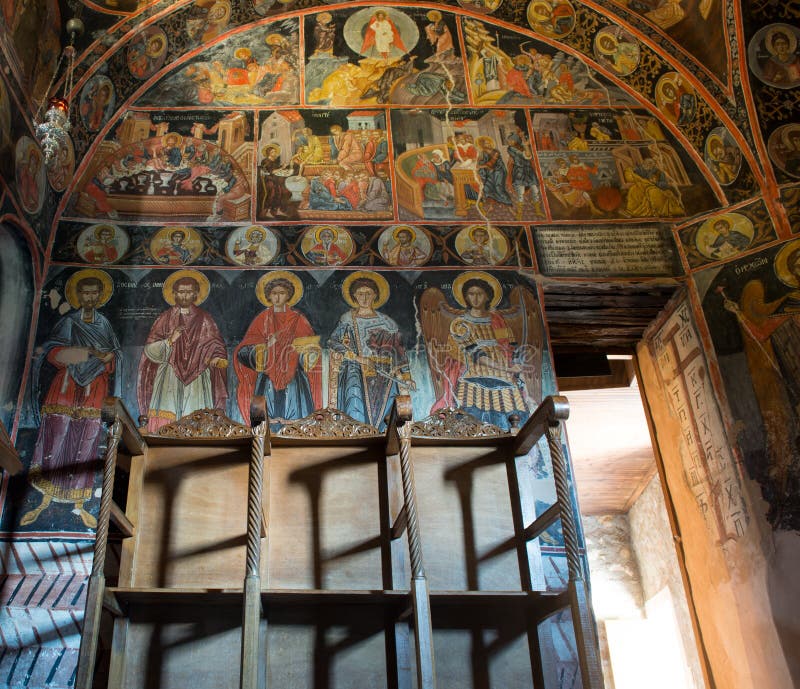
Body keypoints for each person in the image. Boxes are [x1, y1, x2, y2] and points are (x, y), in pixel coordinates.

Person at [21, 271, 121, 528]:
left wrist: (108, 359)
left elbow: (114, 358)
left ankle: (80, 502)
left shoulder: (104, 325)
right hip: (66, 386)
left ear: (100, 296)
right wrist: (87, 353)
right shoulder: (68, 322)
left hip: (95, 388)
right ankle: (45, 497)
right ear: (78, 295)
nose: (90, 298)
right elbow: (52, 354)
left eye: (94, 293)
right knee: (56, 435)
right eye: (85, 293)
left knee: (87, 439)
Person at [430, 276, 528, 426]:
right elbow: (478, 356)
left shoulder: (497, 320)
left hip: (504, 375)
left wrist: (516, 364)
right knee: (473, 417)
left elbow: (510, 345)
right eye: (471, 294)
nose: (475, 298)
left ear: (488, 296)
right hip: (476, 373)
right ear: (465, 297)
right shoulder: (460, 324)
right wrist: (508, 368)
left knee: (511, 417)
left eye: (479, 294)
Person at [137, 271, 228, 433]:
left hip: (198, 375)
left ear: (195, 294)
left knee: (197, 418)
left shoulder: (205, 318)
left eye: (189, 292)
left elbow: (216, 344)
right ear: (174, 294)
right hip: (170, 374)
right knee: (167, 418)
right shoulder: (165, 318)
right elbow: (149, 350)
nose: (184, 296)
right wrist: (169, 341)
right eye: (181, 292)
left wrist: (216, 357)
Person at [328, 273, 413, 429]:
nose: (364, 297)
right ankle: (357, 433)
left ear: (375, 295)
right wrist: (357, 358)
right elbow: (333, 341)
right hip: (356, 370)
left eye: (368, 293)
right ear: (354, 296)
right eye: (360, 294)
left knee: (389, 406)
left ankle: (384, 433)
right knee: (355, 401)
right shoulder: (348, 319)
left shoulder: (387, 322)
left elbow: (399, 351)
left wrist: (407, 376)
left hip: (384, 373)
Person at [234, 274, 321, 425]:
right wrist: (268, 344)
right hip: (267, 371)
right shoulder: (262, 318)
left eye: (282, 293)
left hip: (293, 372)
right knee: (261, 419)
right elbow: (247, 346)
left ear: (288, 296)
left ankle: (295, 429)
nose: (278, 297)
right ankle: (261, 427)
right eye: (274, 293)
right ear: (268, 295)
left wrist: (306, 351)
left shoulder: (298, 319)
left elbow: (309, 346)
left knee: (296, 414)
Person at [476, 136, 512, 206]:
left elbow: (491, 163)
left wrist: (480, 166)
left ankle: (508, 203)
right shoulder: (483, 152)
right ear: (482, 145)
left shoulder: (496, 152)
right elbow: (480, 161)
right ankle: (493, 204)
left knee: (499, 188)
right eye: (486, 143)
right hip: (490, 172)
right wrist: (478, 162)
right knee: (487, 187)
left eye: (489, 143)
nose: (488, 144)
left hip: (498, 171)